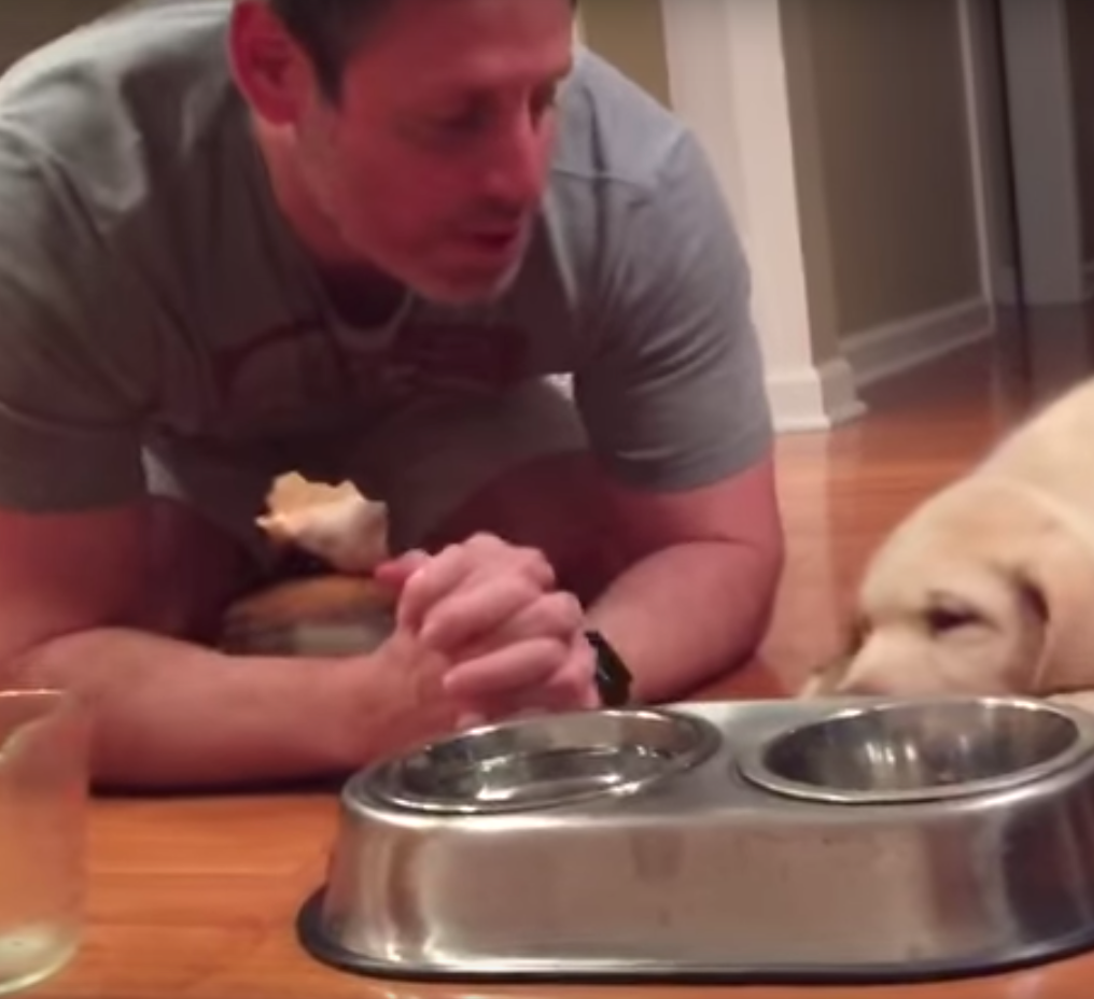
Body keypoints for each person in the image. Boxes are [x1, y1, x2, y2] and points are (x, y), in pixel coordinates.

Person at [0, 0, 785, 790]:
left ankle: (327, 587)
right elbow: (25, 667)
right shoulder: (48, 190)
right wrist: (364, 707)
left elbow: (719, 548)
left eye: (545, 97)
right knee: (147, 590)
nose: (523, 178)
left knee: (564, 560)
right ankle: (282, 569)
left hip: (455, 415)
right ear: (277, 70)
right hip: (178, 433)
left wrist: (585, 671)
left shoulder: (636, 182)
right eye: (454, 117)